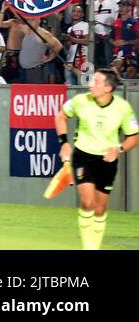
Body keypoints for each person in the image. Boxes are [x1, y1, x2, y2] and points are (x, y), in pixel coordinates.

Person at [54, 67, 139, 250]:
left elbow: (134, 136)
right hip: (83, 157)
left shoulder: (122, 108)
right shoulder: (80, 101)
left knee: (100, 209)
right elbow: (61, 117)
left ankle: (95, 245)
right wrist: (64, 143)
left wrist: (119, 149)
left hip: (107, 161)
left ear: (108, 88)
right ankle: (89, 248)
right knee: (87, 202)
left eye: (96, 81)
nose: (91, 84)